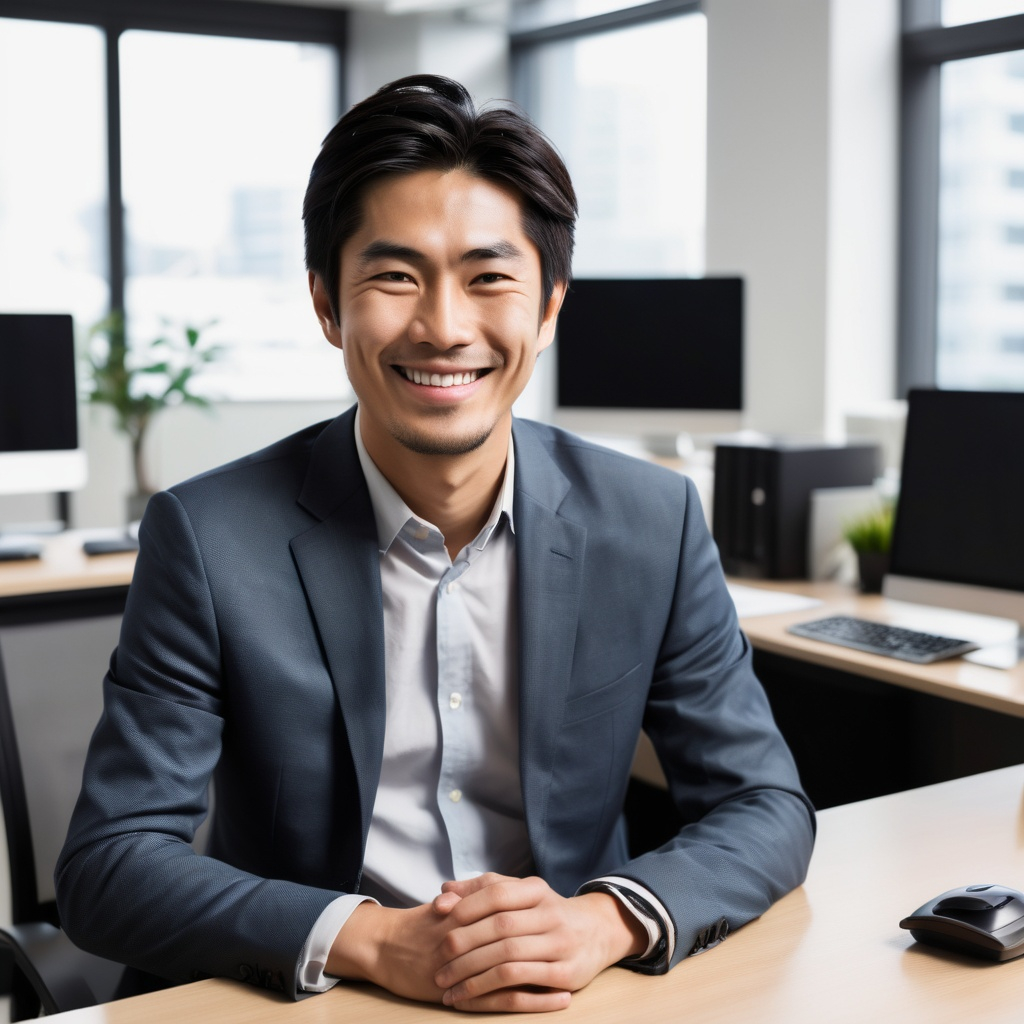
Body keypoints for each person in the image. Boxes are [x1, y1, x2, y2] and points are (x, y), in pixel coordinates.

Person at [56, 75, 815, 1013]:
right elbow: (110, 865)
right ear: (329, 305)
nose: (444, 327)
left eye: (489, 276)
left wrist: (602, 920)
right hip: (314, 995)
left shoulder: (650, 522)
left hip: (569, 994)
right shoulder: (211, 537)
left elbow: (766, 807)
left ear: (548, 308)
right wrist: (371, 937)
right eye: (395, 276)